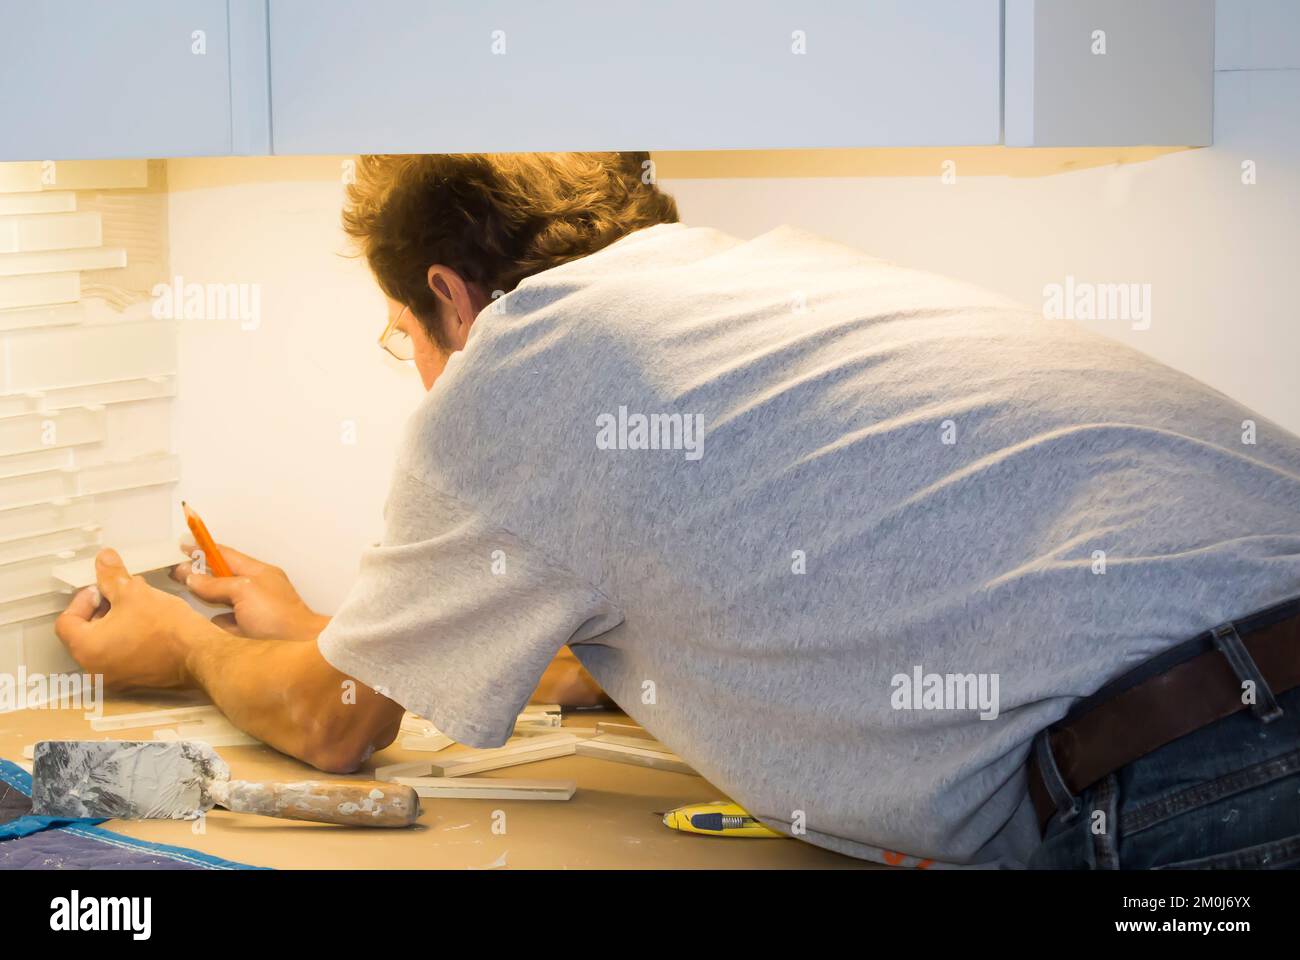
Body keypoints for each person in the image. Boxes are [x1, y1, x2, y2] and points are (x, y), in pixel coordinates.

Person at [55, 152, 1300, 869]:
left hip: (1216, 774)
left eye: (403, 343)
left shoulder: (523, 362)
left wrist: (188, 644)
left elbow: (335, 727)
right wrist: (329, 620)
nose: (422, 381)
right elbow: (634, 651)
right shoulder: (746, 286)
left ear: (451, 293)